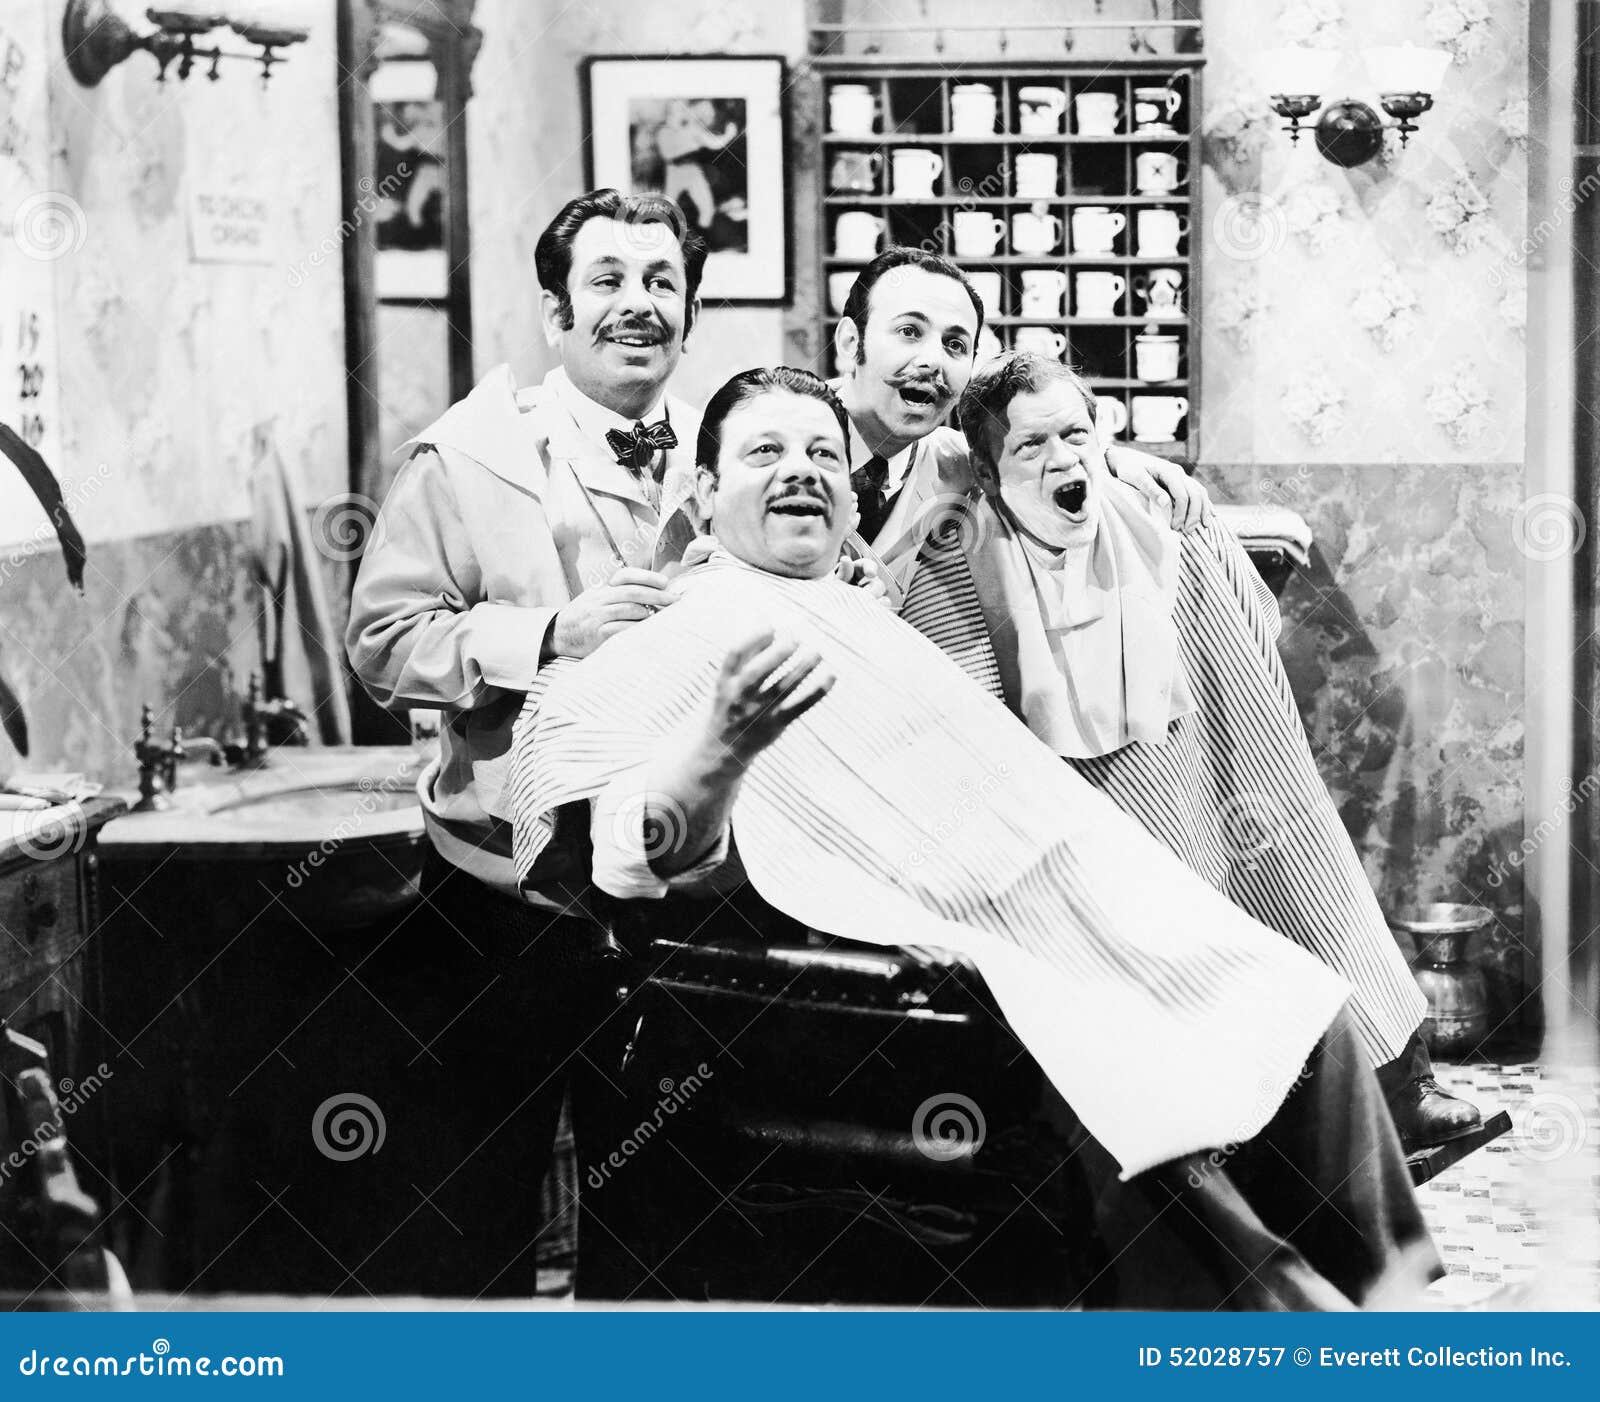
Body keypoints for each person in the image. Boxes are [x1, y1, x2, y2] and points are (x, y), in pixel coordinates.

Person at [509, 366, 1437, 1308]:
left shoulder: (862, 612)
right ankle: (1281, 1321)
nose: (803, 472)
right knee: (1111, 1066)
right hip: (882, 960)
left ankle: (1387, 1290)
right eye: (766, 453)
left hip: (1033, 905)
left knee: (1296, 999)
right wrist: (718, 748)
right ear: (704, 492)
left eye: (824, 453)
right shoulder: (661, 631)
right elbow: (631, 860)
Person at [903, 352, 1481, 1150]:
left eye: (1076, 433)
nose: (1064, 458)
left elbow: (1253, 635)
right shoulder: (961, 550)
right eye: (1031, 447)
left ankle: (1397, 1082)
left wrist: (1190, 513)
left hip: (1223, 766)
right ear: (990, 470)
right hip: (1084, 814)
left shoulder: (1151, 513)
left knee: (1308, 881)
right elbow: (960, 714)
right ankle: (1265, 1134)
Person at [343, 188, 710, 1292]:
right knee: (482, 1203)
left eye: (661, 282)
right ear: (555, 311)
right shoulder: (468, 454)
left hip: (672, 896)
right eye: (606, 281)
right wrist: (548, 632)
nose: (636, 306)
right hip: (504, 896)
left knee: (662, 1204)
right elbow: (380, 640)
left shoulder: (725, 446)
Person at [824, 248, 1211, 593]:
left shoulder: (955, 464)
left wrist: (1117, 460)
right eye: (909, 332)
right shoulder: (772, 431)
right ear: (849, 342)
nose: (933, 361)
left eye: (955, 345)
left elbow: (1038, 451)